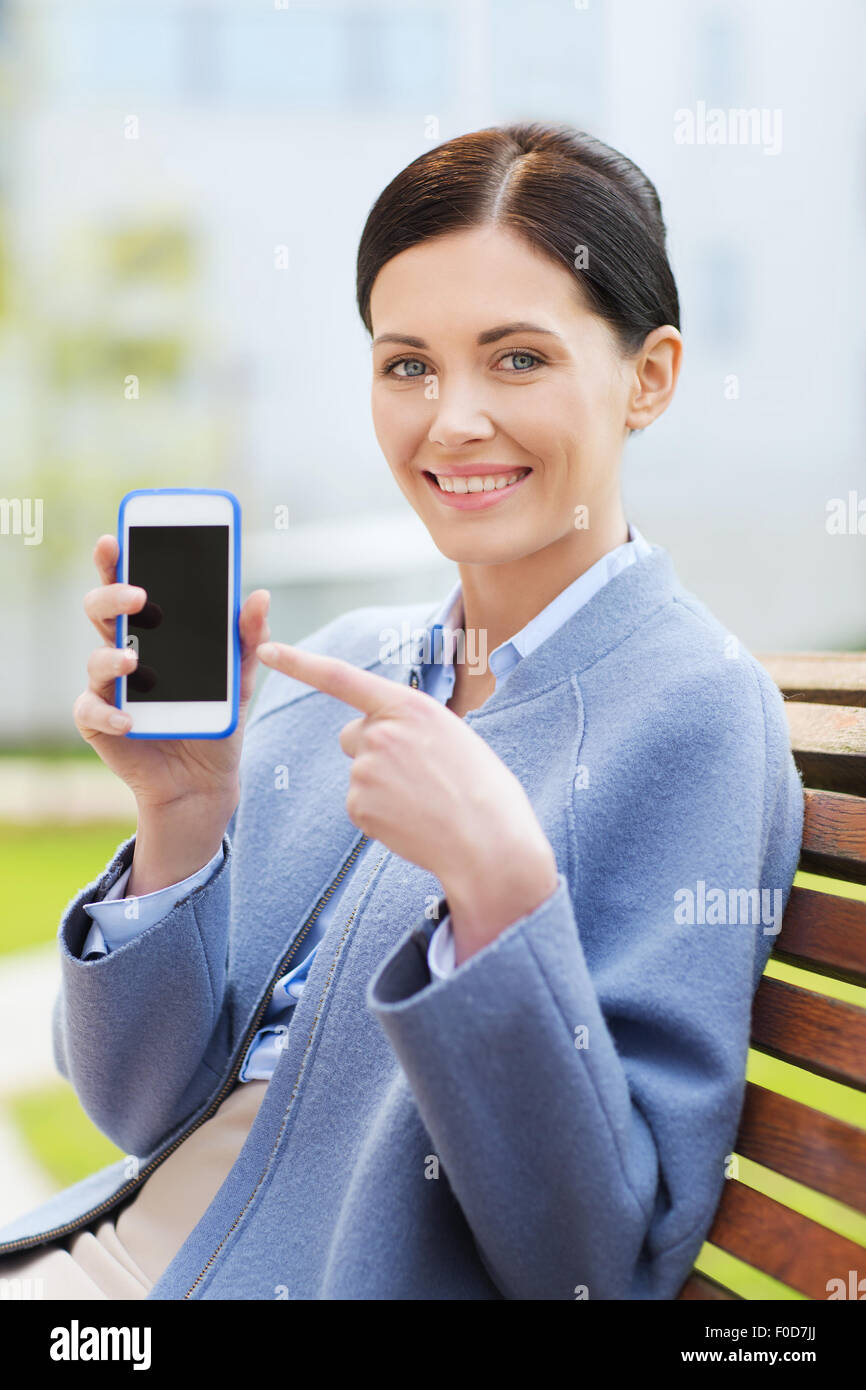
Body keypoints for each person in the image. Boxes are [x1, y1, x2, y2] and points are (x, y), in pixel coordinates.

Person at [0, 122, 804, 1301]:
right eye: (407, 363)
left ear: (649, 376)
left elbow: (593, 1264)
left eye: (516, 358)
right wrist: (180, 821)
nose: (450, 419)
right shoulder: (348, 663)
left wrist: (496, 894)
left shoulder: (693, 717)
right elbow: (132, 1107)